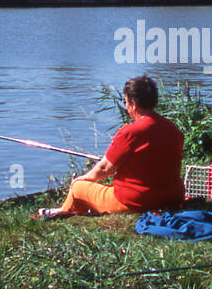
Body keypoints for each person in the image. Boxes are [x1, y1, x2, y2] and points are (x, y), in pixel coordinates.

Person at [39, 75, 185, 219]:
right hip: (172, 197)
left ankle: (63, 213)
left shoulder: (130, 132)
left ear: (133, 103)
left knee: (78, 187)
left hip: (138, 201)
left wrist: (81, 179)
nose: (126, 106)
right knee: (99, 188)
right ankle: (74, 211)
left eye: (126, 102)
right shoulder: (174, 129)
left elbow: (104, 168)